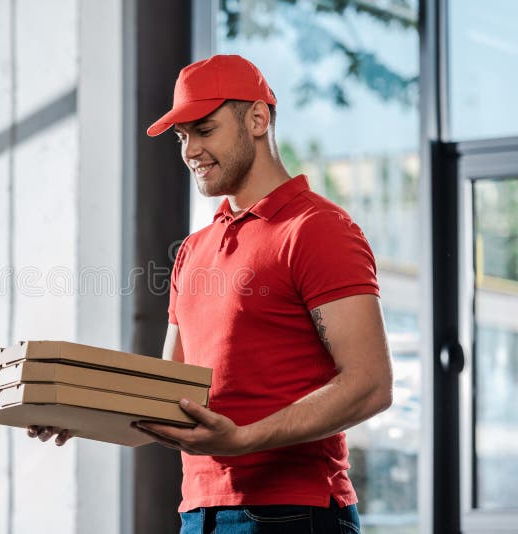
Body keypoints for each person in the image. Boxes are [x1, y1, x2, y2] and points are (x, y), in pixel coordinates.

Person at [29, 54, 393, 534]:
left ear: (257, 119)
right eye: (182, 137)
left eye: (204, 129)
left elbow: (371, 384)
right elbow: (170, 396)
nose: (191, 150)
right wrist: (75, 409)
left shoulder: (317, 229)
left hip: (291, 512)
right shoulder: (193, 250)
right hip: (199, 513)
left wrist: (243, 439)